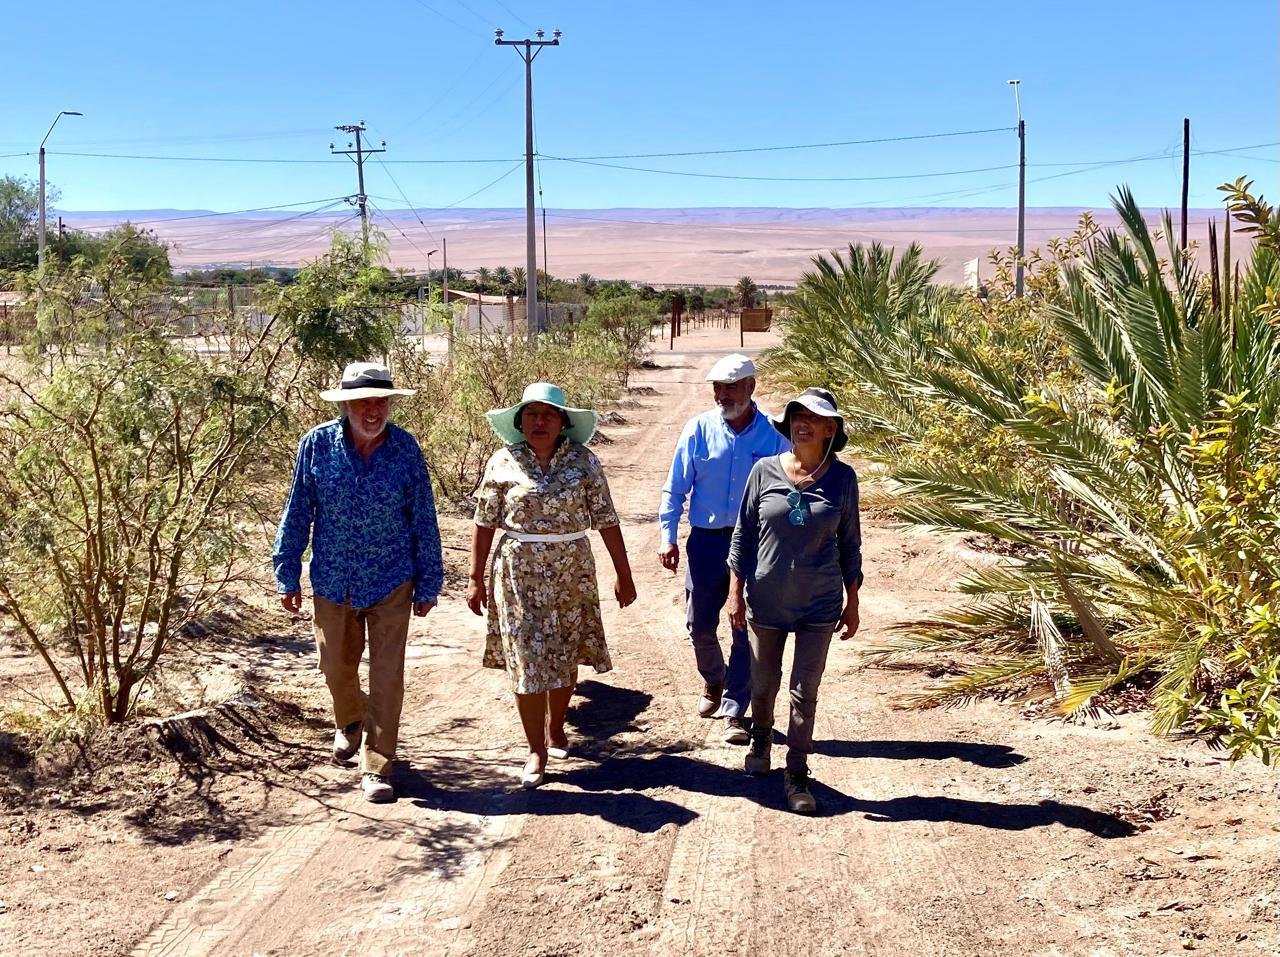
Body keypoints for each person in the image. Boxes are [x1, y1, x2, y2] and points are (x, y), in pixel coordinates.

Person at [273, 361, 443, 804]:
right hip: (332, 577)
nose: (373, 409)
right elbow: (299, 510)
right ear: (346, 404)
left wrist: (429, 581)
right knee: (335, 668)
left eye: (381, 400)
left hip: (392, 579)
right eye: (364, 401)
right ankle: (351, 719)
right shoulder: (316, 446)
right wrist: (287, 569)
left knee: (388, 676)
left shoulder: (406, 449)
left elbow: (423, 517)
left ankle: (377, 766)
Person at [467, 383, 637, 789]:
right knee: (526, 660)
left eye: (548, 415)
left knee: (563, 652)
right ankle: (535, 750)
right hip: (517, 575)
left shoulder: (584, 461)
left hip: (571, 573)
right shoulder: (502, 462)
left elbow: (606, 518)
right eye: (531, 415)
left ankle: (556, 725)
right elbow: (484, 521)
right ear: (519, 421)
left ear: (563, 423)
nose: (539, 422)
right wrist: (475, 578)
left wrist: (624, 572)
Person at [726, 387, 862, 815]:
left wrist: (853, 599)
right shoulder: (764, 471)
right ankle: (761, 737)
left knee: (805, 691)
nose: (802, 422)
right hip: (765, 599)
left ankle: (797, 769)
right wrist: (734, 593)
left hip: (819, 603)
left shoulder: (843, 479)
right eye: (796, 414)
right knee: (763, 682)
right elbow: (743, 535)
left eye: (813, 417)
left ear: (830, 429)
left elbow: (850, 543)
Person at [658, 353, 790, 744]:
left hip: (756, 544)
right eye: (717, 387)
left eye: (731, 386)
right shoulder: (698, 429)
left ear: (751, 387)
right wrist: (667, 535)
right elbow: (675, 486)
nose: (722, 394)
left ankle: (735, 708)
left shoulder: (773, 435)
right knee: (699, 624)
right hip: (706, 542)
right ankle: (713, 681)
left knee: (743, 627)